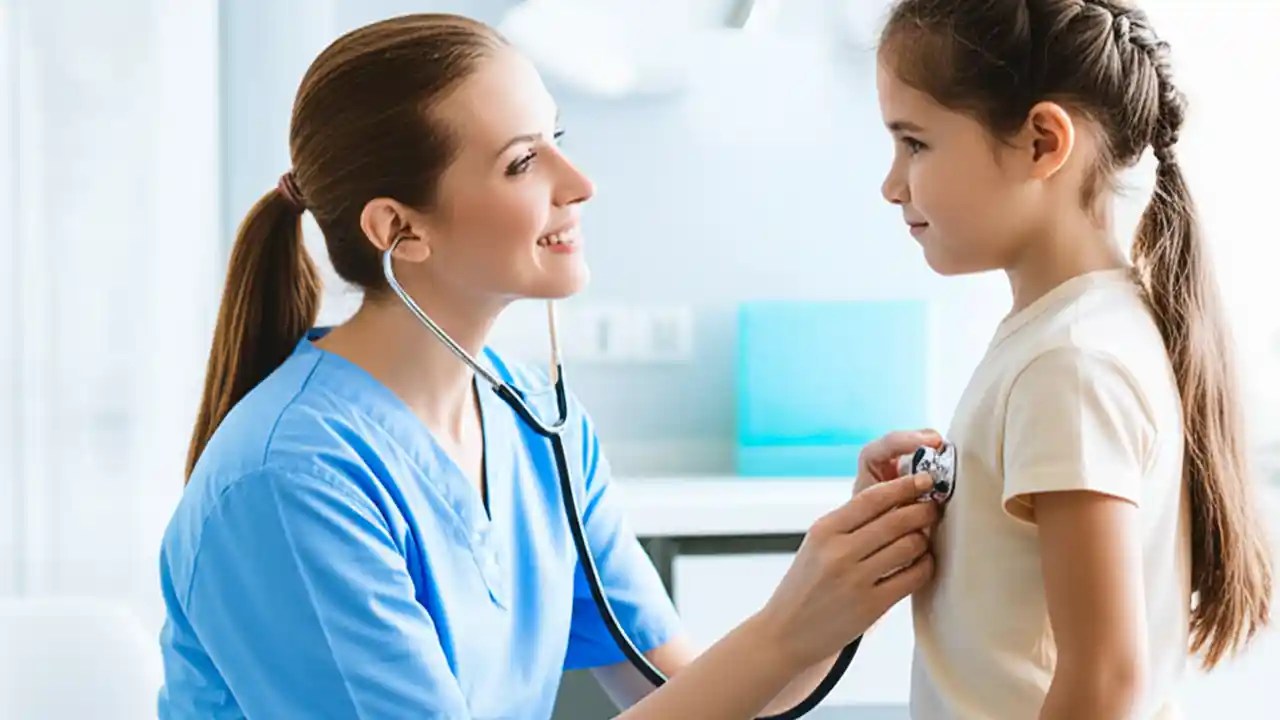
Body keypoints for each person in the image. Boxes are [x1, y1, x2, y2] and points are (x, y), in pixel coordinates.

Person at [157, 14, 942, 720]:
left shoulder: (537, 424)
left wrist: (846, 583)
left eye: (556, 142)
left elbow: (693, 698)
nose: (579, 185)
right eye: (522, 161)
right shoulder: (292, 481)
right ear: (399, 230)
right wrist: (784, 628)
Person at [870, 0, 1274, 717]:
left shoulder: (1069, 362)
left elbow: (1105, 681)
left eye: (916, 144)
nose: (892, 184)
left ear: (1041, 142)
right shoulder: (1078, 335)